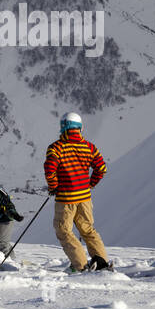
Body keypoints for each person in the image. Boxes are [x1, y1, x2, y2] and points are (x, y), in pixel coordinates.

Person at [43, 112, 111, 272]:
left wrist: (53, 186)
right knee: (88, 230)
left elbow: (49, 169)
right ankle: (101, 263)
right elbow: (101, 168)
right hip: (85, 198)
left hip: (66, 199)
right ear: (79, 128)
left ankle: (80, 266)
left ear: (63, 127)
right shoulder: (89, 147)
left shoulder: (56, 147)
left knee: (63, 230)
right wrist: (89, 184)